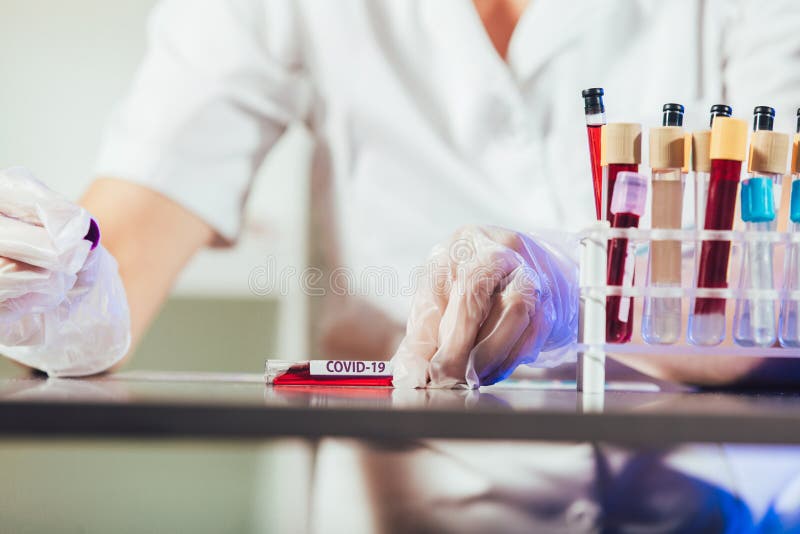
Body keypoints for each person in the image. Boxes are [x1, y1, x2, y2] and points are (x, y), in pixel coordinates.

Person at [2, 0, 799, 530]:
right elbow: (132, 236)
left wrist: (579, 285)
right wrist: (59, 288)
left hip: (709, 514)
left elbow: (785, 287)